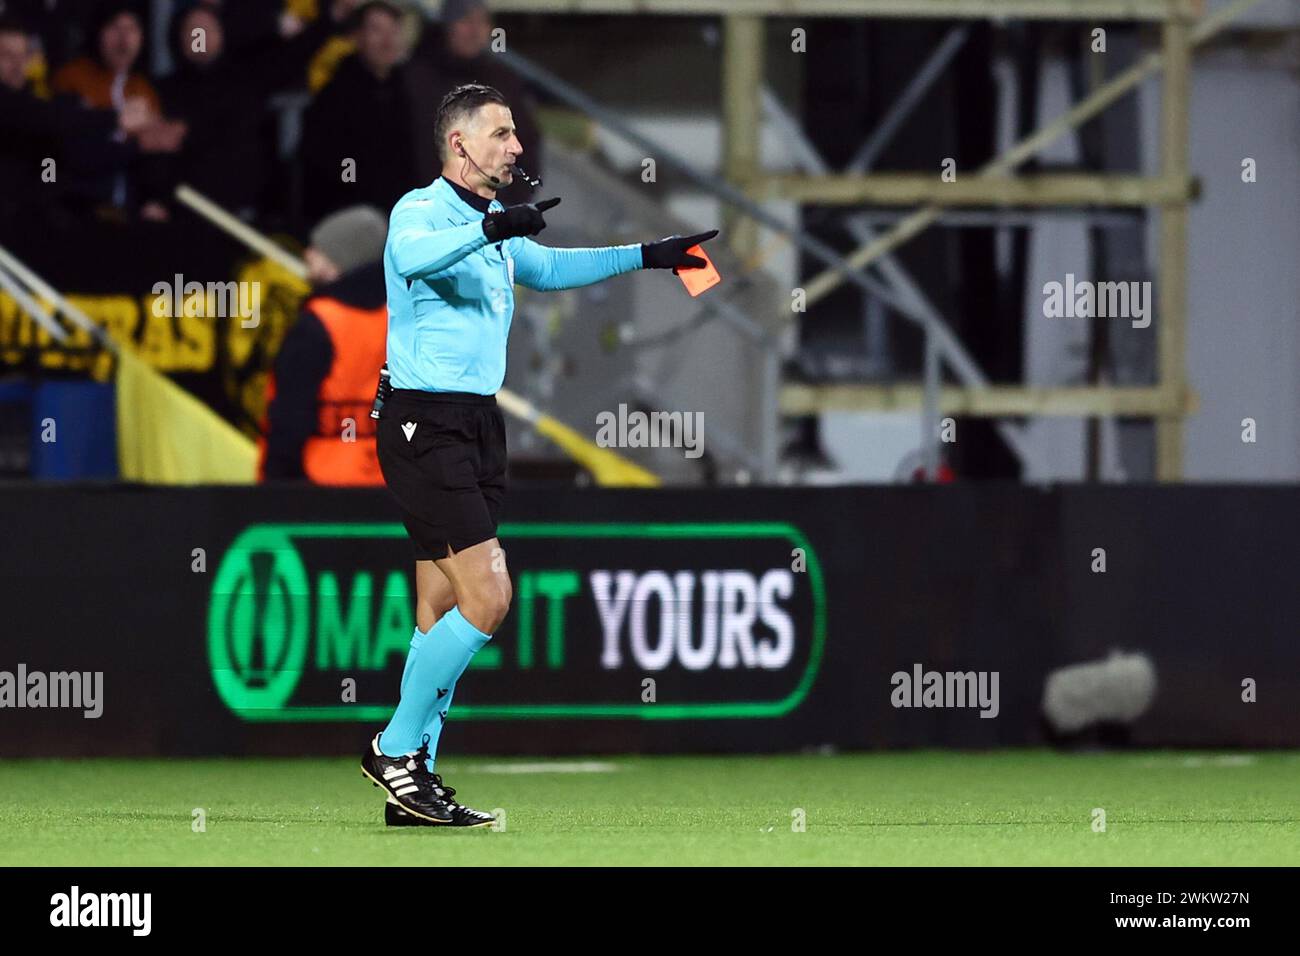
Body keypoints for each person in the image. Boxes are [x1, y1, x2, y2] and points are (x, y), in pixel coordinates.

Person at [359, 82, 717, 827]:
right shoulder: (419, 211)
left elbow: (549, 269)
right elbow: (416, 259)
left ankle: (413, 780)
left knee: (440, 608)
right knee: (490, 598)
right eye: (502, 133)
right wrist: (491, 233)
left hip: (477, 425)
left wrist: (650, 255)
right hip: (424, 426)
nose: (517, 146)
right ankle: (393, 748)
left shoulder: (491, 222)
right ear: (460, 145)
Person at [260, 205, 389, 485]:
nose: (307, 255)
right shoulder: (400, 318)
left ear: (340, 260)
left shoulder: (317, 322)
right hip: (389, 483)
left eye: (319, 250)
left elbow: (290, 417)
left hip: (318, 488)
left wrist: (273, 485)